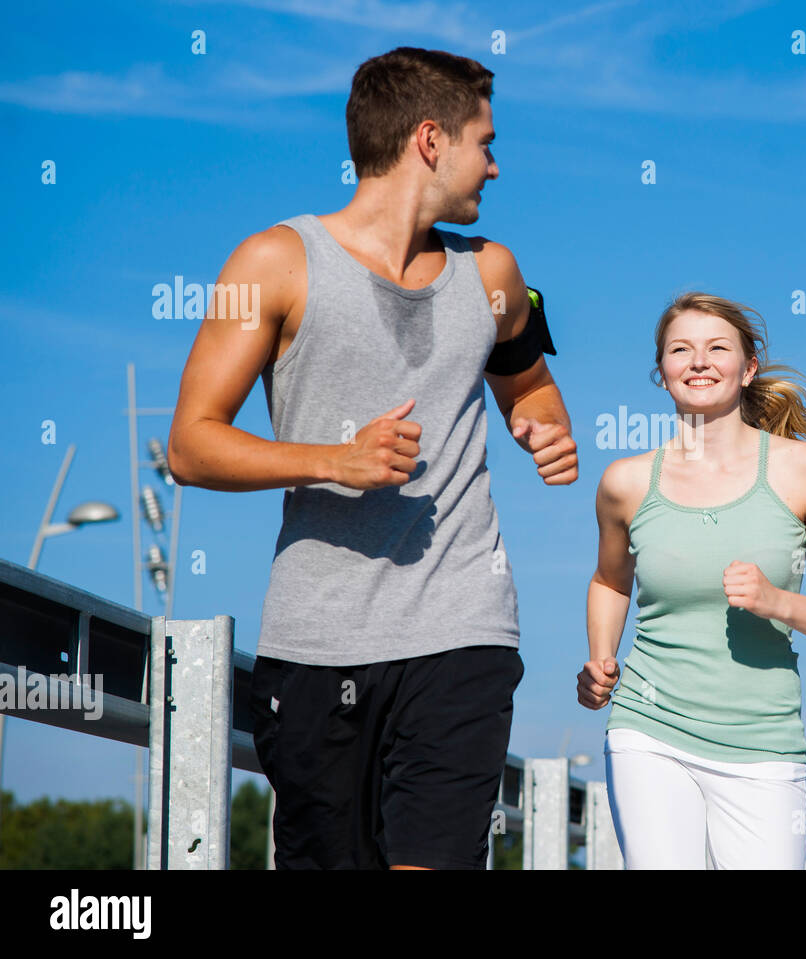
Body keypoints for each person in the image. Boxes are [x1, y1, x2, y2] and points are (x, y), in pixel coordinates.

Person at [167, 47, 577, 869]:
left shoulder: (493, 271)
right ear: (431, 140)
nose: (495, 168)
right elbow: (190, 443)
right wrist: (335, 460)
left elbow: (527, 384)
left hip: (464, 630)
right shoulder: (274, 263)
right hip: (318, 644)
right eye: (485, 143)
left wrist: (544, 426)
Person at [577, 292, 806, 869]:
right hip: (649, 727)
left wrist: (777, 601)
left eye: (718, 348)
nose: (698, 361)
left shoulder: (803, 469)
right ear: (661, 372)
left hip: (763, 742)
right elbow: (611, 581)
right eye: (680, 349)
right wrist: (599, 659)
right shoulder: (626, 482)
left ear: (748, 369)